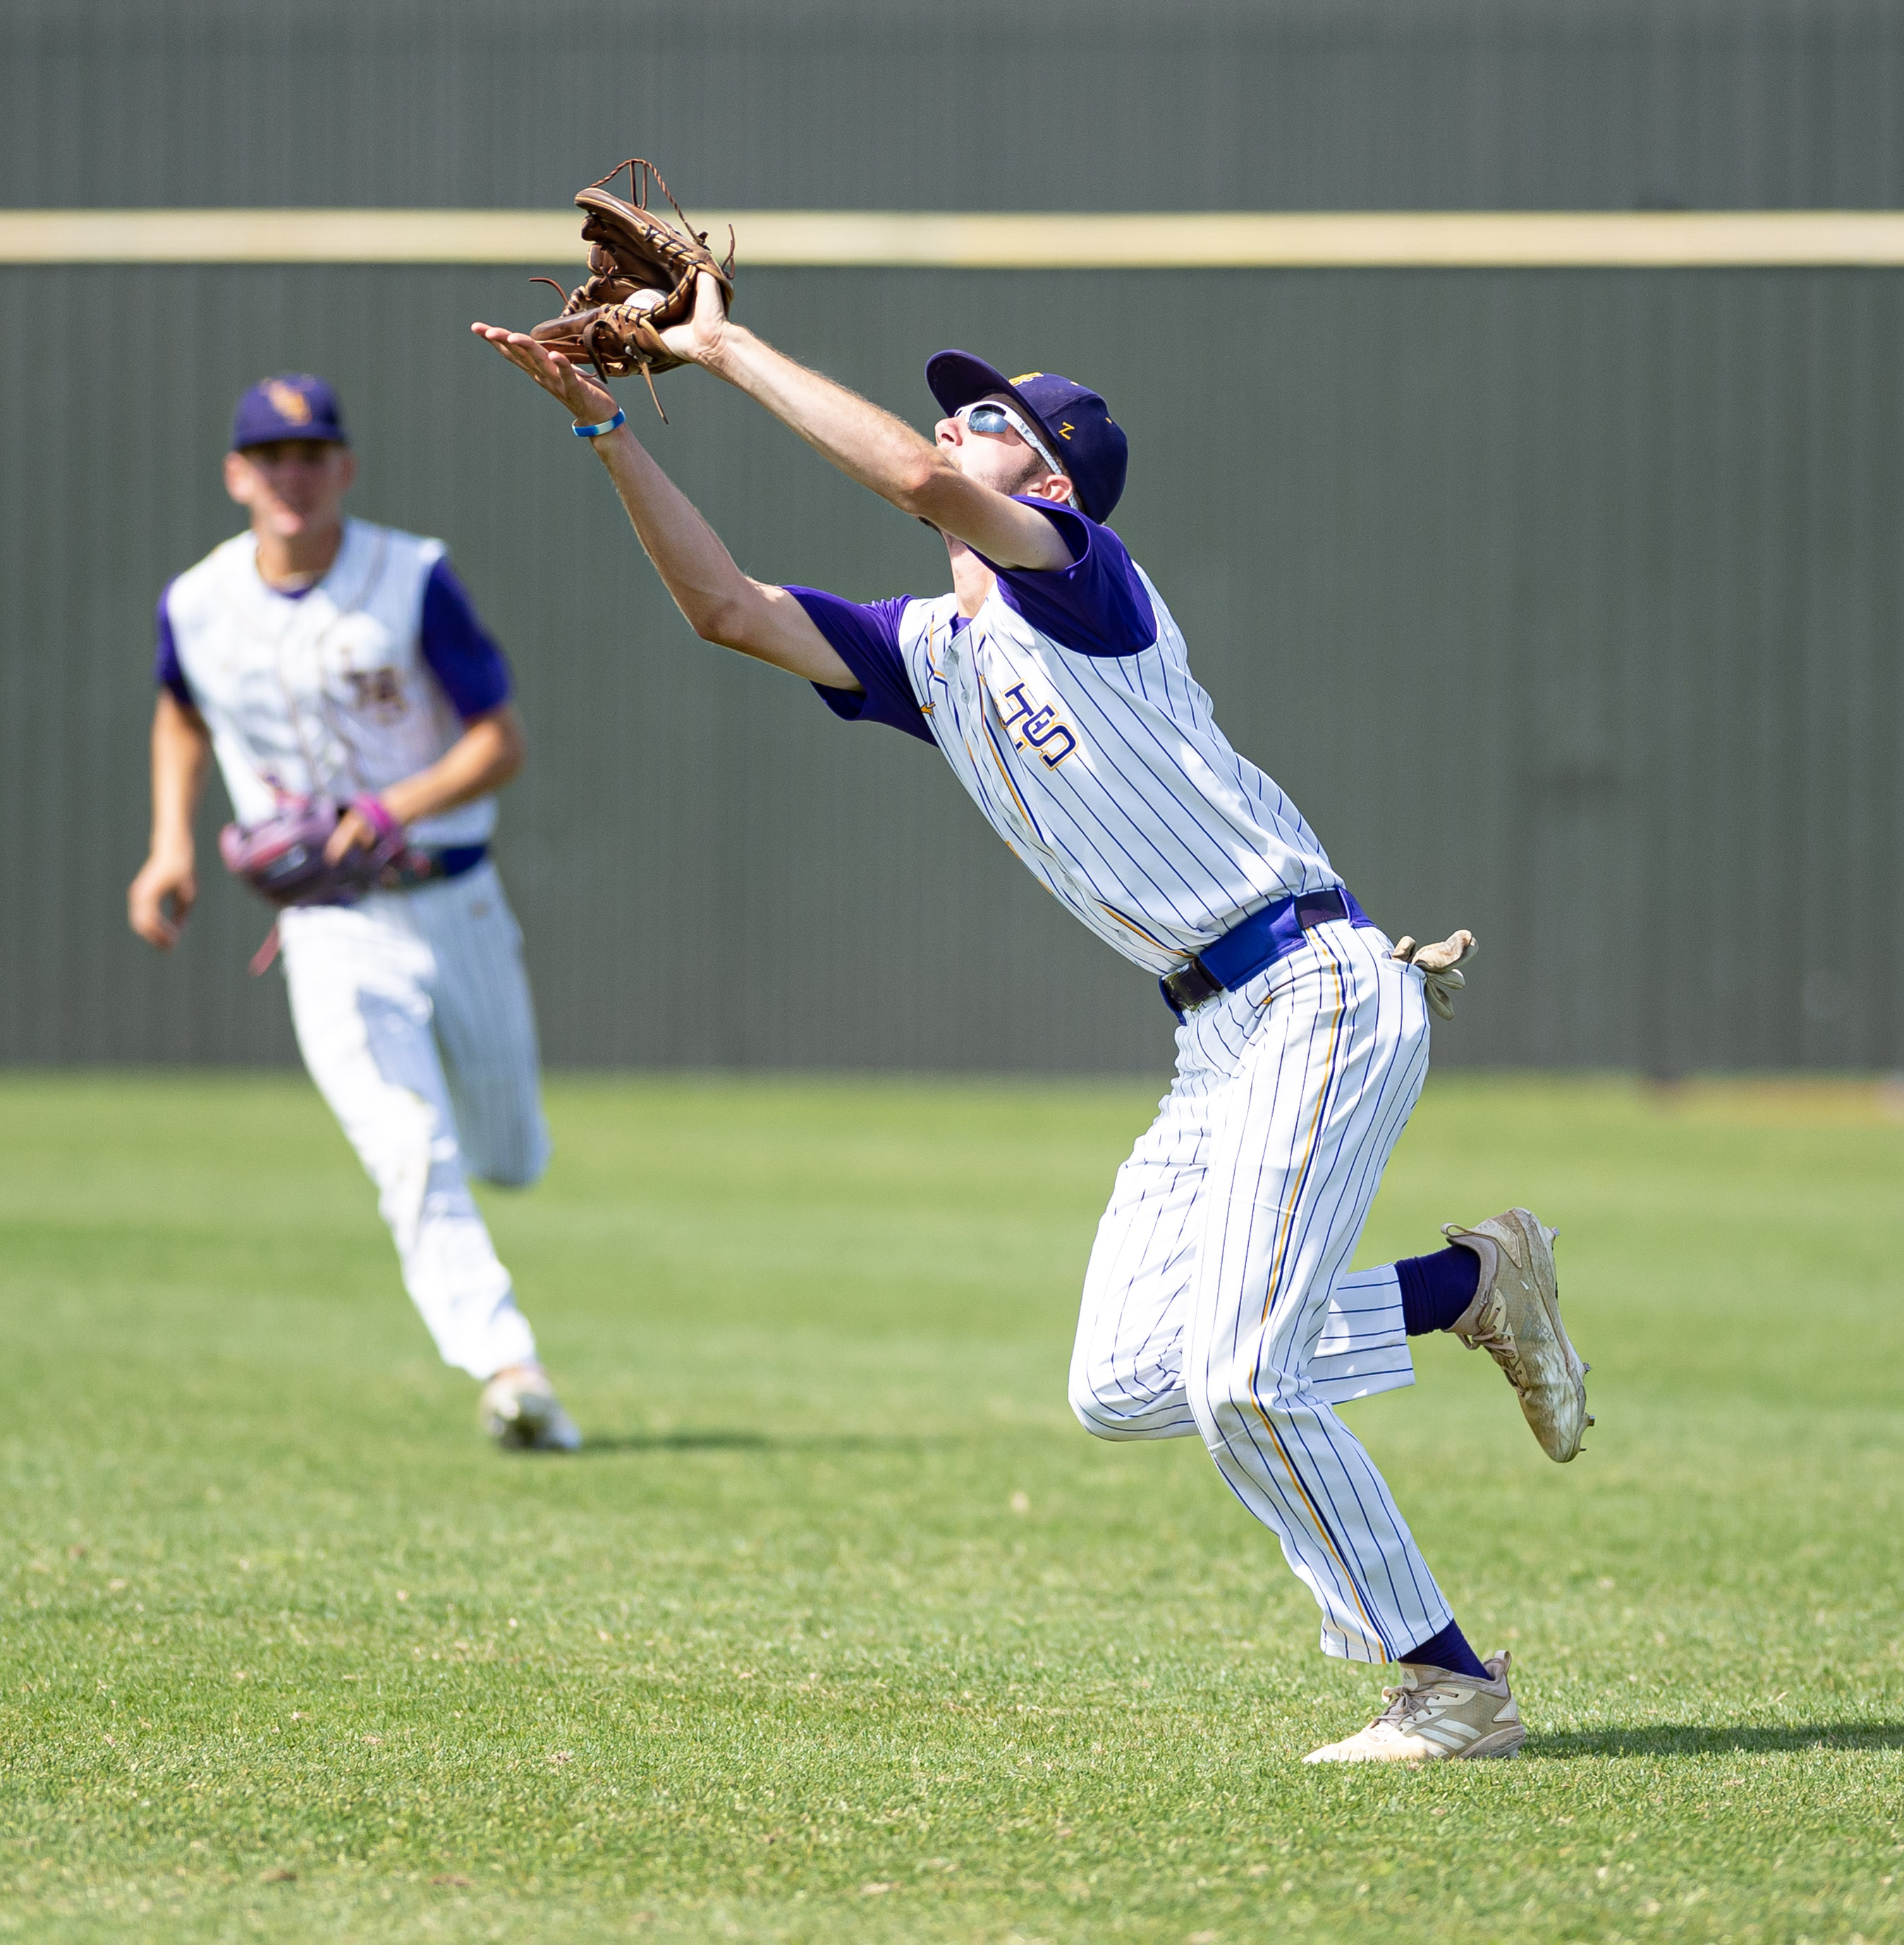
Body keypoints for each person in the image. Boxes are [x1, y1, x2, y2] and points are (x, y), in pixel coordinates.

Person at [471, 278, 1591, 1758]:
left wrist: (722, 345)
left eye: (991, 415)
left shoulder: (1082, 576)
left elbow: (921, 478)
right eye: (957, 401)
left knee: (1242, 1374)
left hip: (1314, 984)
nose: (954, 421)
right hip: (1218, 1035)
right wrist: (608, 423)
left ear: (1050, 480)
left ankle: (1451, 1683)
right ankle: (1471, 1286)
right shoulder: (934, 654)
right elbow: (725, 608)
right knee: (1129, 1380)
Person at [127, 374, 580, 1453]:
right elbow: (180, 709)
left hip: (451, 898)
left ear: (345, 468)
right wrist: (169, 844)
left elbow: (499, 741)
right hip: (328, 925)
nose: (292, 474)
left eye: (311, 452)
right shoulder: (197, 602)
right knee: (406, 1147)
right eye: (271, 456)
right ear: (239, 475)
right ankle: (511, 1368)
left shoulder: (410, 576)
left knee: (508, 1154)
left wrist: (390, 805)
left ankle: (496, 1186)